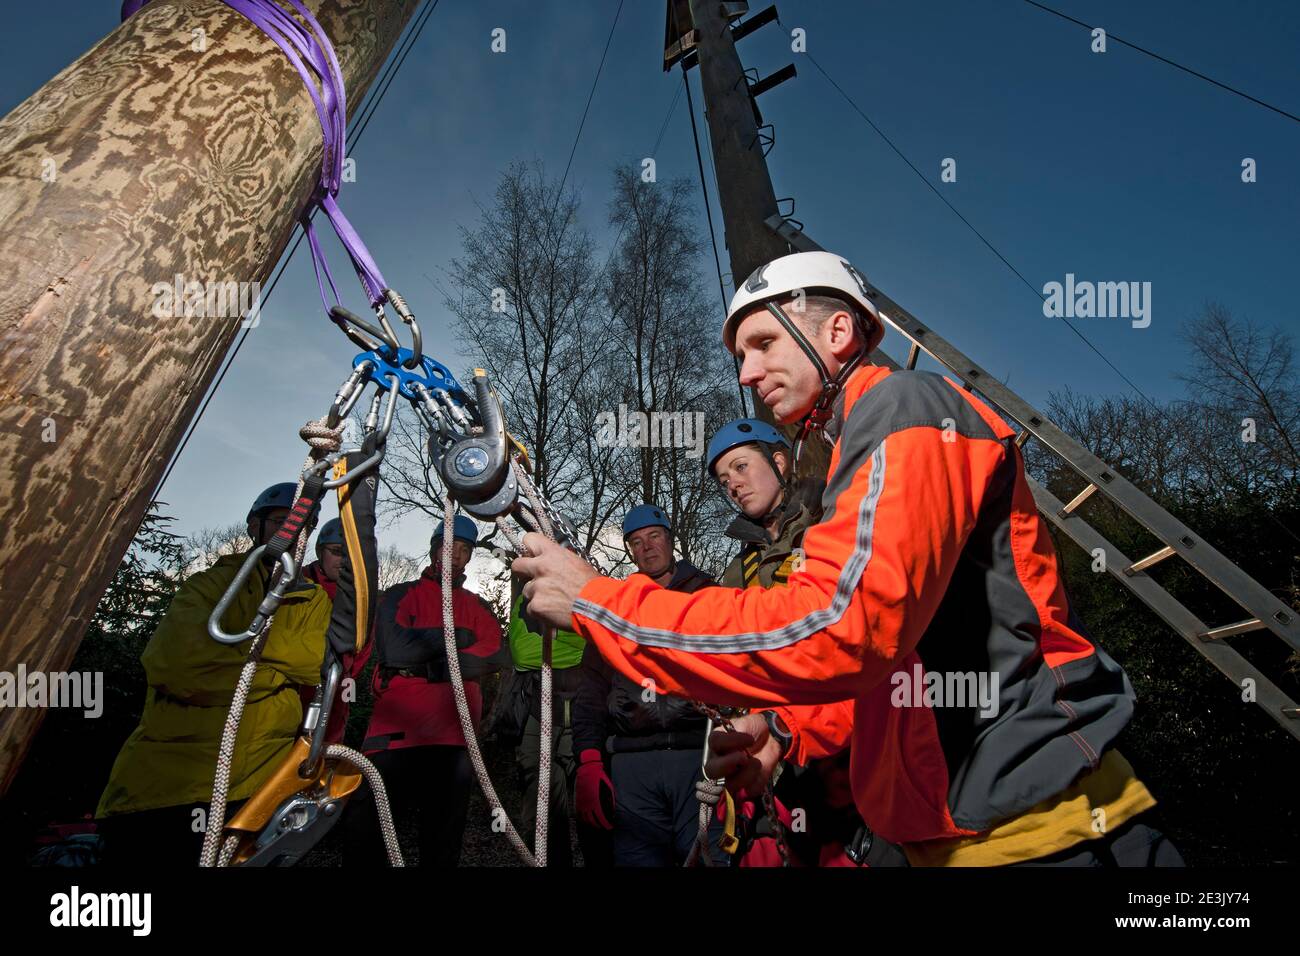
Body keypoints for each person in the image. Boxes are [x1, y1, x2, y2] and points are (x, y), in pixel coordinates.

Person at [514, 250, 1182, 867]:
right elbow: (896, 664)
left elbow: (844, 626)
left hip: (1040, 834)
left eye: (763, 342)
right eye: (741, 356)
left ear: (837, 332)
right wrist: (783, 730)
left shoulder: (905, 407)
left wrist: (599, 601)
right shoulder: (855, 451)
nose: (745, 372)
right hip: (955, 831)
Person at [95, 483, 332, 865]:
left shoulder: (311, 598)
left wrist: (235, 648)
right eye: (281, 521)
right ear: (255, 525)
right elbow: (177, 669)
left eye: (306, 525)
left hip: (259, 784)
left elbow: (313, 663)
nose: (293, 533)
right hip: (166, 786)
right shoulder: (207, 586)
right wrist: (276, 671)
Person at [345, 515, 502, 867]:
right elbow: (396, 648)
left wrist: (432, 664)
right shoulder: (400, 595)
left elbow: (496, 654)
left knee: (442, 845)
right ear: (434, 550)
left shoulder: (477, 606)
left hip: (453, 740)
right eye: (450, 546)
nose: (457, 555)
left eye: (465, 550)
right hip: (394, 736)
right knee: (367, 837)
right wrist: (459, 637)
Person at [572, 504, 719, 866]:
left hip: (697, 756)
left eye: (654, 537)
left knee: (706, 857)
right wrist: (588, 759)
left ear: (671, 541)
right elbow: (590, 687)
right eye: (636, 542)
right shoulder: (615, 607)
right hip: (632, 761)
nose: (647, 547)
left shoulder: (708, 595)